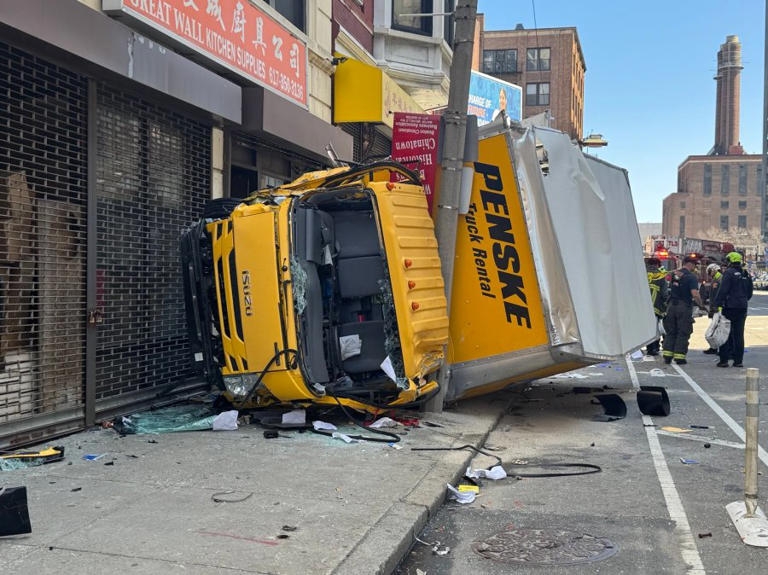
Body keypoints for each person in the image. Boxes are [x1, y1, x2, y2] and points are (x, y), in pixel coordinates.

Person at [714, 251, 753, 367]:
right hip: (742, 307)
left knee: (725, 333)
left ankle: (724, 360)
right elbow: (749, 292)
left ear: (730, 261)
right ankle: (738, 361)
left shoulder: (729, 273)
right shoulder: (745, 274)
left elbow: (723, 290)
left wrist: (716, 304)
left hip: (729, 307)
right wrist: (743, 300)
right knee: (739, 335)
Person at [662, 256, 703, 365]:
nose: (695, 267)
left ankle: (667, 356)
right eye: (694, 265)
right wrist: (701, 304)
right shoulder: (691, 277)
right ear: (690, 264)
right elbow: (695, 293)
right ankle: (679, 357)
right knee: (683, 331)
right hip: (683, 307)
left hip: (671, 306)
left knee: (671, 331)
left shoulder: (674, 274)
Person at [645, 257, 668, 355]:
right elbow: (664, 294)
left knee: (646, 328)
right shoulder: (660, 276)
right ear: (657, 265)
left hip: (642, 307)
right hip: (655, 307)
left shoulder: (642, 273)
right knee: (655, 329)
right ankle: (654, 348)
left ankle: (648, 347)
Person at [702, 263, 722, 355]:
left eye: (709, 271)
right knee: (715, 329)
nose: (709, 274)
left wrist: (714, 308)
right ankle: (714, 347)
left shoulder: (719, 279)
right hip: (715, 308)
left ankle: (718, 348)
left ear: (713, 270)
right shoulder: (715, 279)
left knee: (716, 329)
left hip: (718, 309)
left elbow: (717, 295)